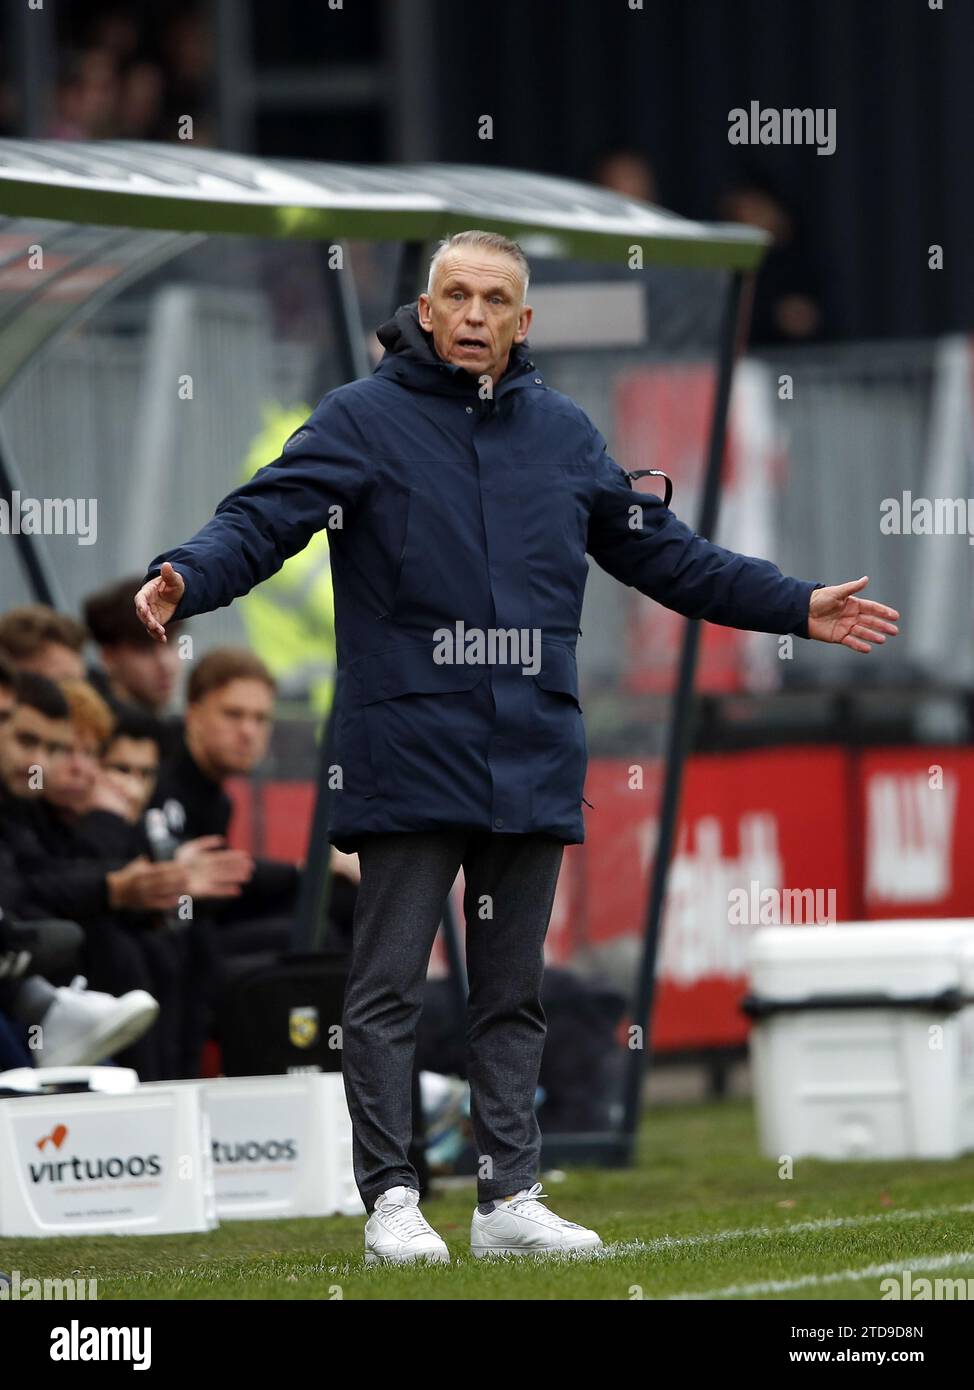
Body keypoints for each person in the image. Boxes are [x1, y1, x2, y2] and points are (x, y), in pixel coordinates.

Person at [135, 229, 899, 1264]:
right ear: (425, 306)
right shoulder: (361, 419)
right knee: (386, 985)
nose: (473, 314)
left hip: (529, 747)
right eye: (455, 294)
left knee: (512, 990)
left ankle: (506, 1196)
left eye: (495, 298)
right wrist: (187, 574)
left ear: (521, 321)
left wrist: (794, 605)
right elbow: (262, 518)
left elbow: (668, 558)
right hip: (407, 744)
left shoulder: (563, 435)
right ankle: (392, 1199)